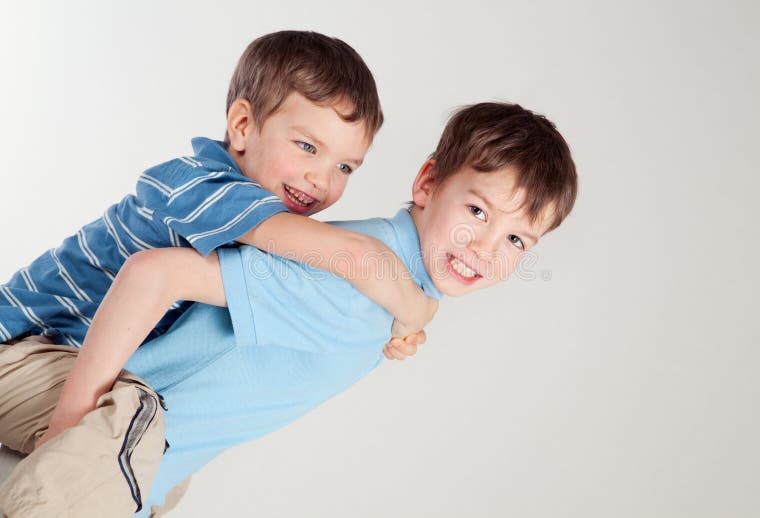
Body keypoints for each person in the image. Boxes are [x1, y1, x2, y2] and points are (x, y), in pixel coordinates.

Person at [0, 102, 578, 516]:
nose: (484, 249)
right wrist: (74, 430)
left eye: (517, 241)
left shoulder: (390, 284)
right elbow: (154, 274)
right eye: (477, 211)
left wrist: (416, 315)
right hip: (110, 439)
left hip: (143, 463)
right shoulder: (358, 280)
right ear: (427, 182)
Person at [0, 30, 438, 516]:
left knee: (162, 471)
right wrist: (417, 309)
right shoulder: (204, 188)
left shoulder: (247, 210)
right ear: (243, 125)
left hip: (46, 359)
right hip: (18, 350)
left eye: (345, 168)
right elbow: (355, 256)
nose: (323, 180)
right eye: (308, 147)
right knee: (137, 425)